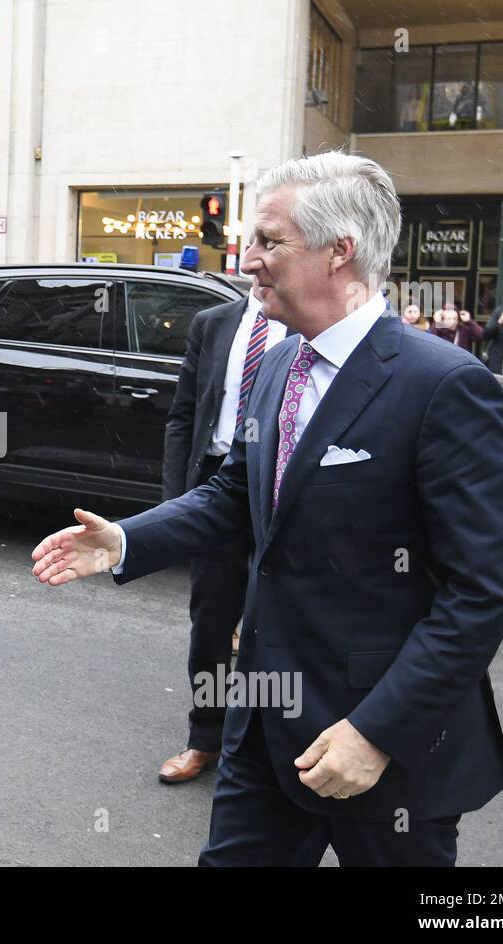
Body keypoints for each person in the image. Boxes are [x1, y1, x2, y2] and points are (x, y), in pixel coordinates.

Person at [31, 151, 503, 866]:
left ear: (339, 252)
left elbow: (482, 593)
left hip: (384, 748)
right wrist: (128, 541)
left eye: (269, 241)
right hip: (263, 726)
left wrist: (376, 731)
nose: (248, 259)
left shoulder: (444, 386)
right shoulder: (278, 365)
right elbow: (235, 493)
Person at [157, 291, 286, 783]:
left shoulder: (305, 326)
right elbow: (183, 415)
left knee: (272, 618)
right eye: (255, 246)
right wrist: (176, 506)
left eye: (272, 246)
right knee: (211, 622)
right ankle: (205, 738)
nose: (258, 260)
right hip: (216, 482)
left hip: (279, 483)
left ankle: (261, 741)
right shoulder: (213, 323)